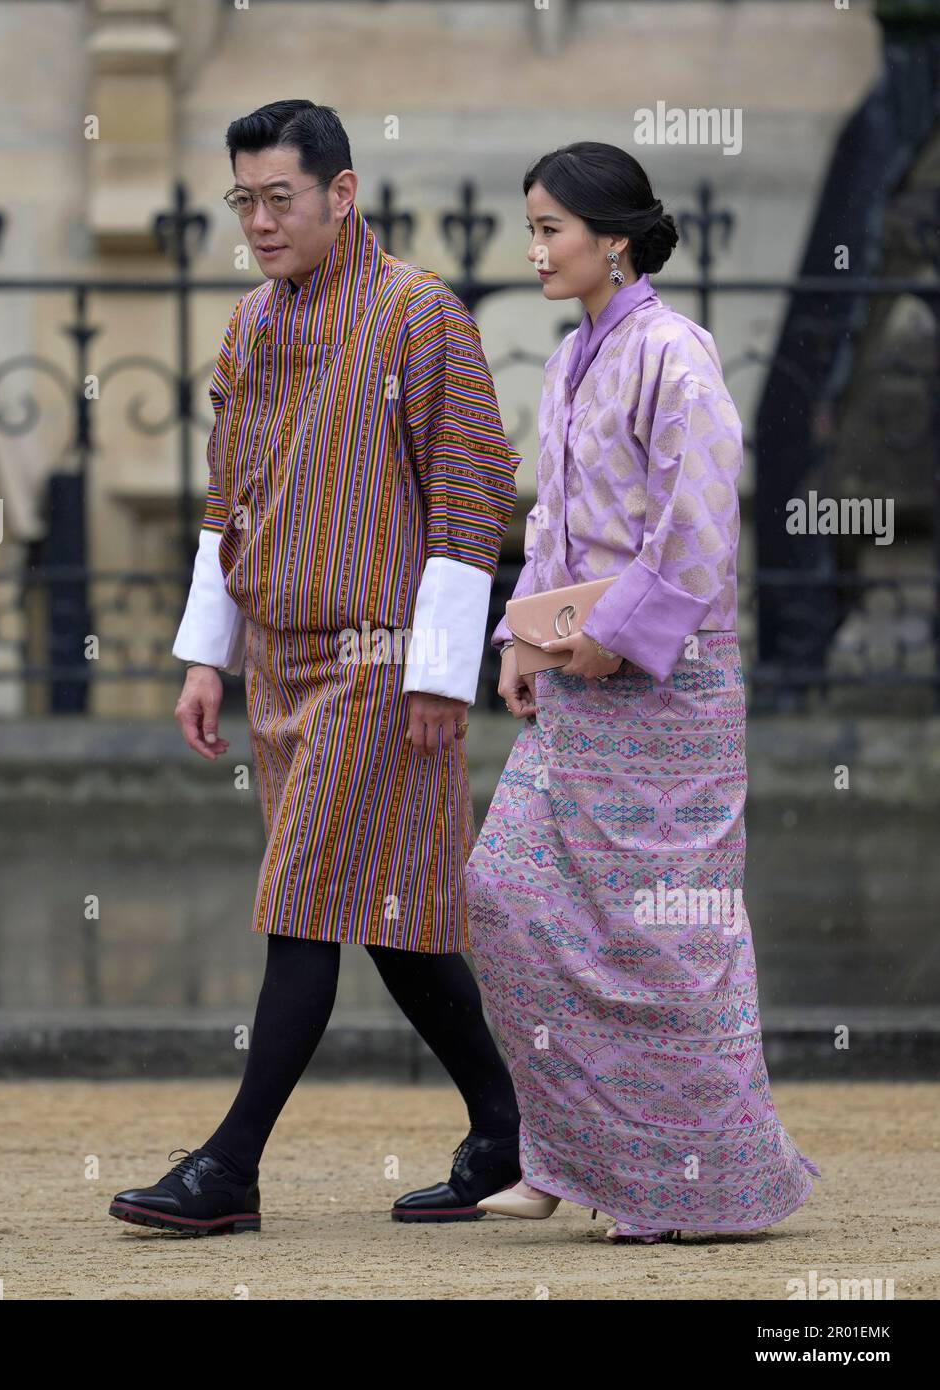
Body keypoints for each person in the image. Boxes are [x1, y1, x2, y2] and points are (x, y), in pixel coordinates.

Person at [110, 100, 524, 1236]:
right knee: (388, 914)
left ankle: (230, 1166)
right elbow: (224, 501)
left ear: (342, 194)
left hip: (383, 661)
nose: (258, 219)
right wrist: (208, 658)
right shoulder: (248, 324)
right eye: (244, 198)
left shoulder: (421, 313)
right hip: (282, 665)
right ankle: (505, 1126)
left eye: (279, 196)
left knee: (302, 897)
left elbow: (474, 492)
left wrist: (444, 673)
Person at [467, 141, 822, 1242]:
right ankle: (564, 1148)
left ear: (610, 237)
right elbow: (551, 520)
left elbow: (703, 528)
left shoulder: (676, 351)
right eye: (529, 229)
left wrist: (613, 641)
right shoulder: (573, 357)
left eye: (550, 229)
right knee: (506, 896)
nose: (533, 250)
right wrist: (523, 636)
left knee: (665, 941)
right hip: (582, 684)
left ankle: (695, 1186)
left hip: (668, 696)